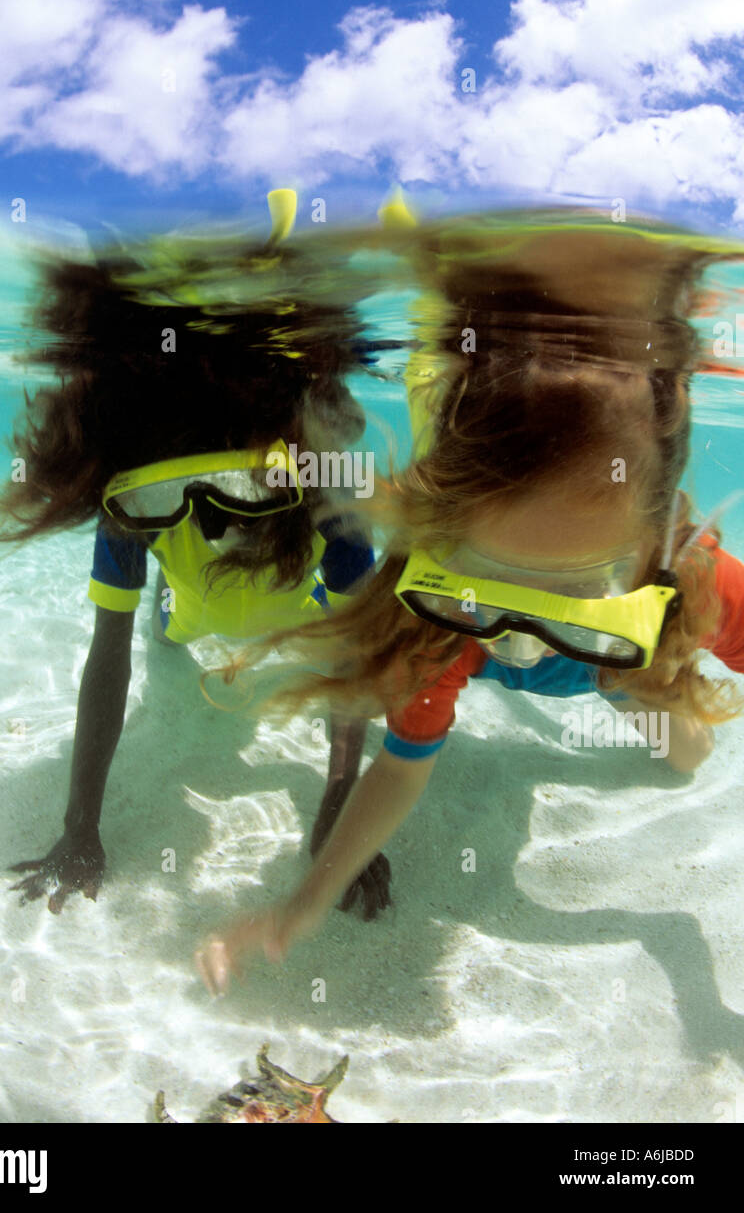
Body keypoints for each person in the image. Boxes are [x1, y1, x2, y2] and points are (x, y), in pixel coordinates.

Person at [193, 211, 744, 995]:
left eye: (575, 600)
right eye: (489, 589)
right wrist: (300, 906)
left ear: (657, 557)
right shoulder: (439, 622)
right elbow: (403, 769)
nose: (523, 642)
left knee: (688, 759)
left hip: (606, 668)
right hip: (489, 641)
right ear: (442, 556)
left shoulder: (697, 582)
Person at [0, 197, 384, 915]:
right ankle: (171, 612)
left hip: (301, 609)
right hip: (190, 607)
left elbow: (356, 654)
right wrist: (79, 827)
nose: (208, 513)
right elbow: (108, 653)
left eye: (240, 485)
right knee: (164, 629)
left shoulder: (329, 493)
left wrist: (340, 809)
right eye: (169, 492)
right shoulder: (131, 495)